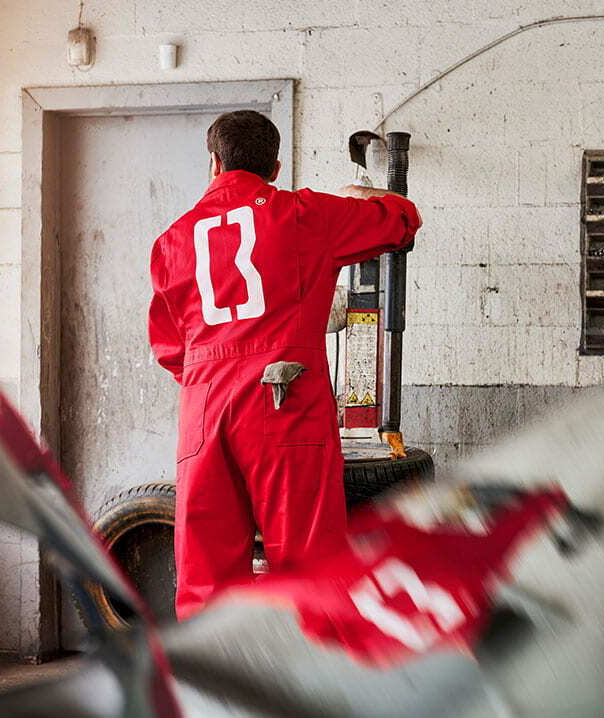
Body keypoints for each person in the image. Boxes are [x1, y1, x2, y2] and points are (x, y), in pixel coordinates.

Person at [148, 110, 421, 618]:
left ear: (213, 163)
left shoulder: (172, 240)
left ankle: (213, 691)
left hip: (204, 407)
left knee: (205, 572)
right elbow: (402, 220)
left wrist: (217, 376)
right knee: (308, 563)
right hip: (285, 399)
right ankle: (314, 684)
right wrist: (370, 198)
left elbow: (168, 348)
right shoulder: (304, 214)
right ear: (275, 167)